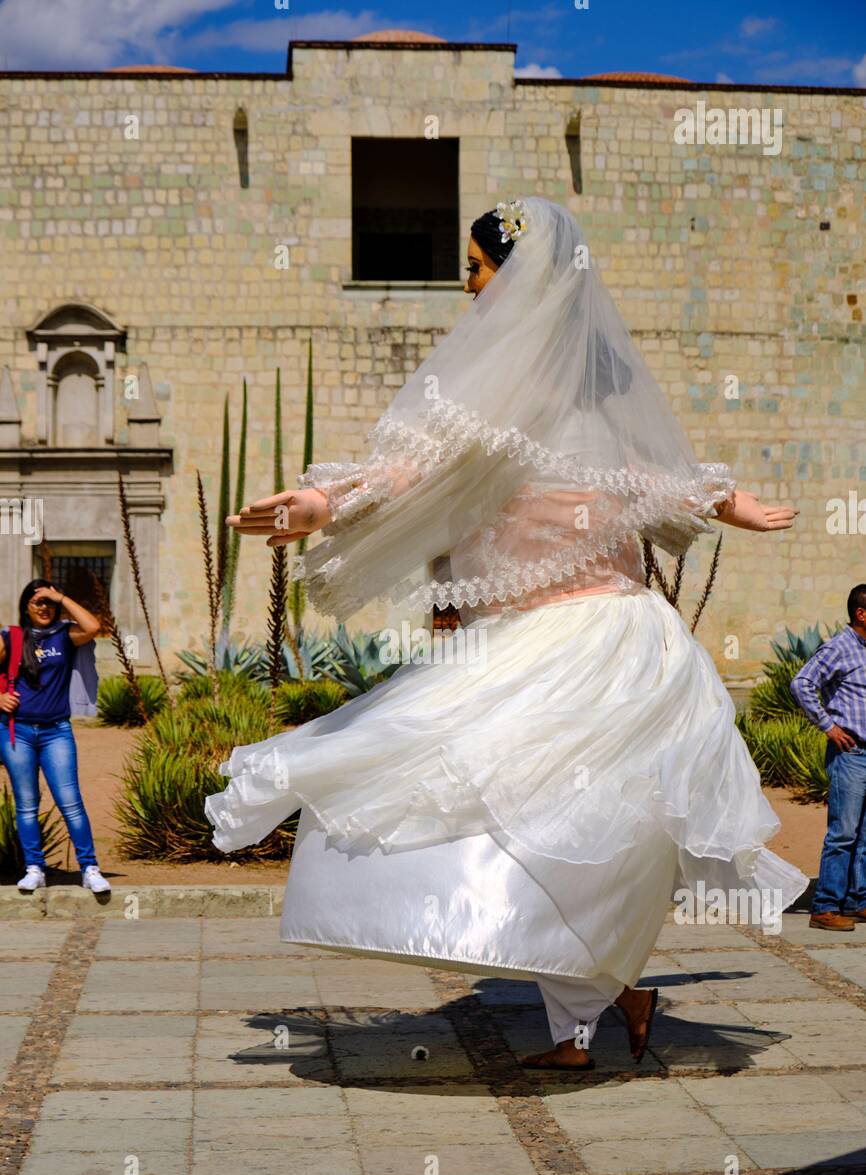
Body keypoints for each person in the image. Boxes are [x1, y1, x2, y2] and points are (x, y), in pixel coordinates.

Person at [205, 197, 808, 1071]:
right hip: (524, 642)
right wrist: (323, 501)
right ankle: (609, 998)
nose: (468, 284)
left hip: (611, 643)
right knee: (478, 800)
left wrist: (726, 501)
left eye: (477, 268)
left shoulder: (600, 400)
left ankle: (585, 1019)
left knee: (581, 827)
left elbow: (656, 475)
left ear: (520, 277)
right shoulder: (482, 404)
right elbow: (406, 470)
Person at [0, 580, 110, 896]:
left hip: (56, 732)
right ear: (26, 607)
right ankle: (35, 869)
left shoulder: (66, 635)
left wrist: (61, 596)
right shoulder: (12, 637)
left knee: (70, 801)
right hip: (17, 731)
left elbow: (94, 625)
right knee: (27, 804)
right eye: (38, 602)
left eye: (49, 603)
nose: (44, 608)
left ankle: (89, 869)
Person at [790, 584, 866, 931]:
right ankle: (825, 906)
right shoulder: (840, 647)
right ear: (861, 613)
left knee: (864, 834)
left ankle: (857, 900)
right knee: (843, 833)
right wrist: (829, 727)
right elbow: (802, 683)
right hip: (850, 753)